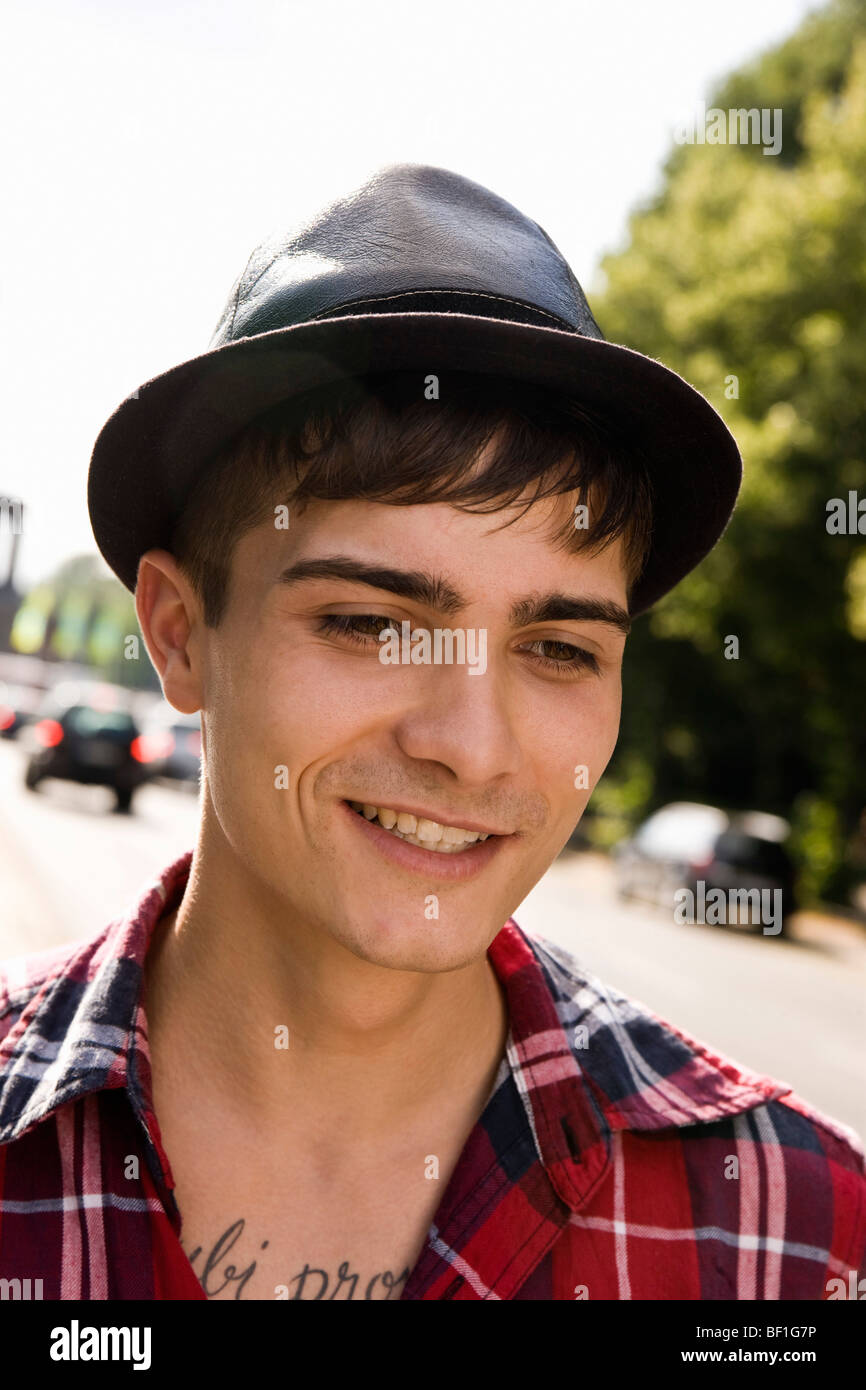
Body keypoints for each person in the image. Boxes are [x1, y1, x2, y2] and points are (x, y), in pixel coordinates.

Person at [0, 164, 863, 1301]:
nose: (474, 745)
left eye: (558, 647)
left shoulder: (790, 1232)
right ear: (178, 635)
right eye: (367, 622)